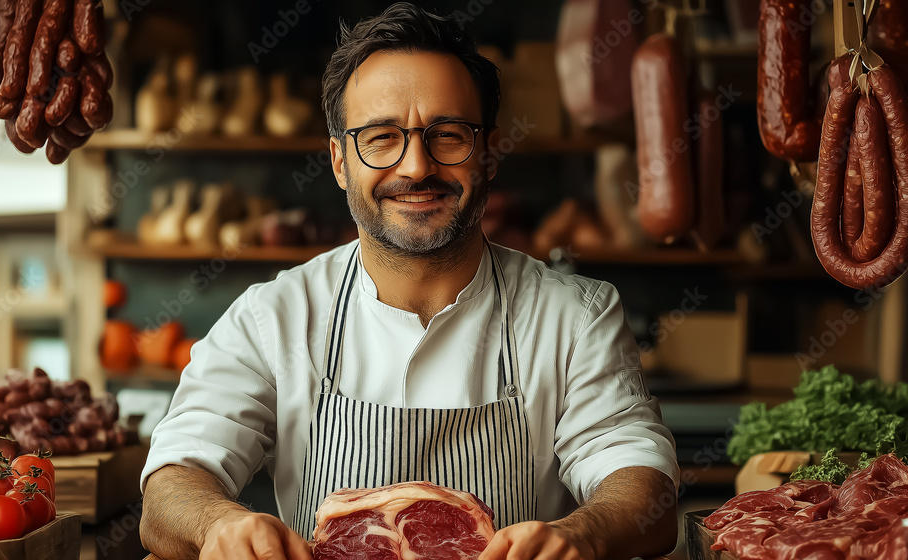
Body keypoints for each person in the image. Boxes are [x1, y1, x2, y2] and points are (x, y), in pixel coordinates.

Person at [139, 4, 679, 559]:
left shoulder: (576, 317)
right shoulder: (272, 317)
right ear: (340, 161)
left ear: (490, 152)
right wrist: (218, 525)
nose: (416, 167)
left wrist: (583, 534)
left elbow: (642, 480)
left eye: (448, 135)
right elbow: (173, 483)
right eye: (380, 137)